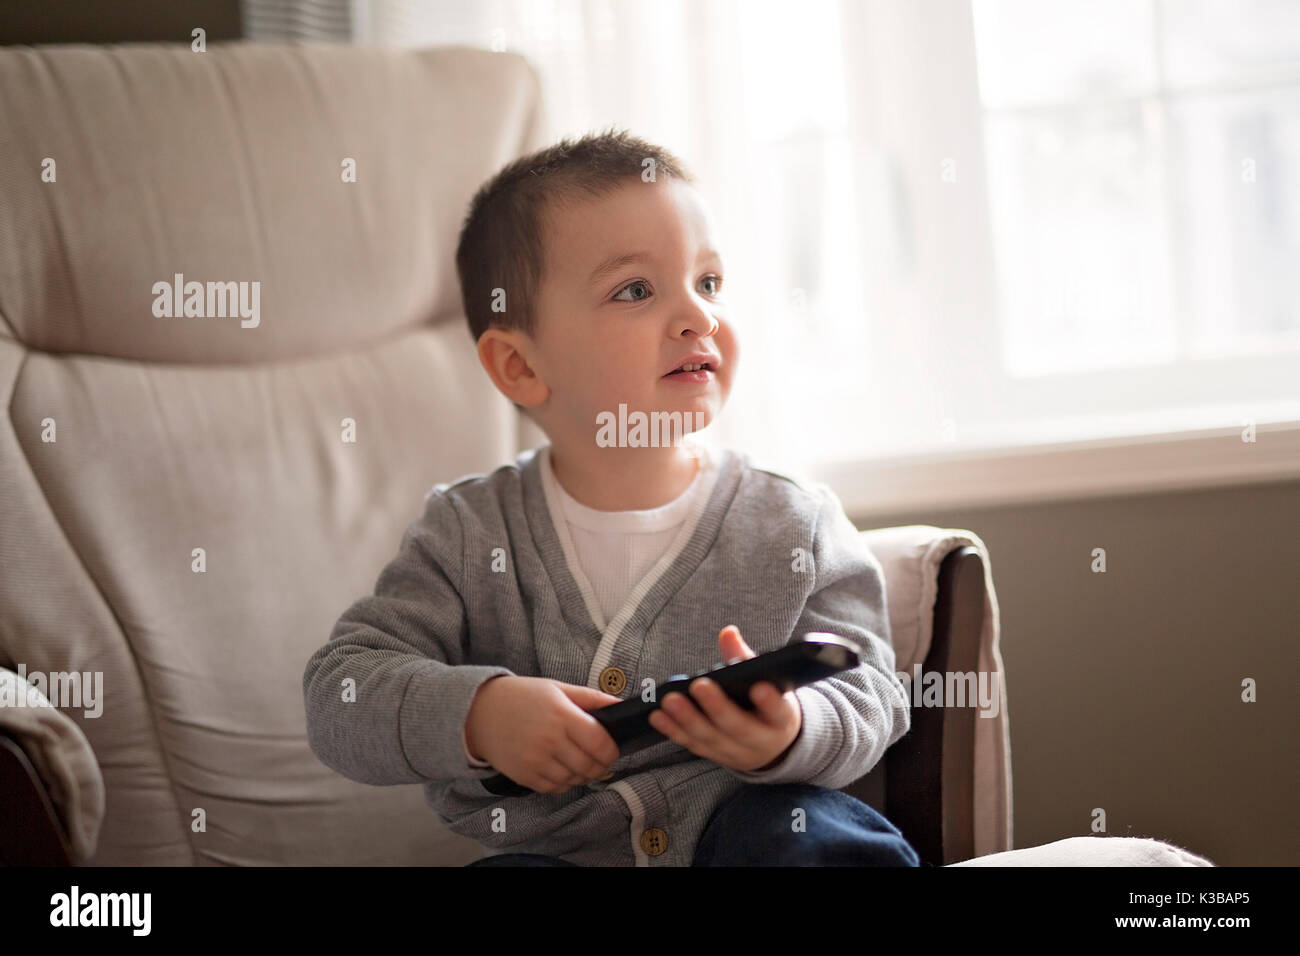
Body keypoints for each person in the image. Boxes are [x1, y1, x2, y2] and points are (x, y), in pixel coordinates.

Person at [302, 128, 918, 867]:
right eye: (635, 290)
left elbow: (873, 692)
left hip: (749, 833)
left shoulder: (797, 523)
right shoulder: (466, 533)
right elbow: (342, 691)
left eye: (709, 282)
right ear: (520, 367)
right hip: (554, 855)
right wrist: (481, 714)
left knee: (809, 836)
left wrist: (791, 728)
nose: (700, 317)